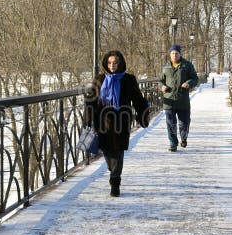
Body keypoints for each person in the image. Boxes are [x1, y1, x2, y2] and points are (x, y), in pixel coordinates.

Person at [84, 50, 150, 197]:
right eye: (109, 63)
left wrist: (143, 114)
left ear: (120, 64)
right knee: (107, 152)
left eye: (115, 63)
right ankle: (113, 170)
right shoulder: (99, 79)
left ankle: (115, 183)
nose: (112, 66)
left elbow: (138, 99)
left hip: (121, 121)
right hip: (102, 122)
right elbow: (90, 101)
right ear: (106, 64)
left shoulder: (128, 79)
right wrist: (88, 118)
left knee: (118, 152)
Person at [160, 44, 198, 152]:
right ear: (170, 55)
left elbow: (195, 78)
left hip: (183, 100)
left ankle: (184, 138)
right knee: (170, 123)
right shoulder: (166, 67)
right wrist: (161, 86)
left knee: (184, 123)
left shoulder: (187, 65)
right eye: (172, 53)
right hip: (169, 100)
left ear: (180, 54)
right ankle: (173, 144)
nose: (174, 55)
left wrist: (188, 83)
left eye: (176, 53)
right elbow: (160, 81)